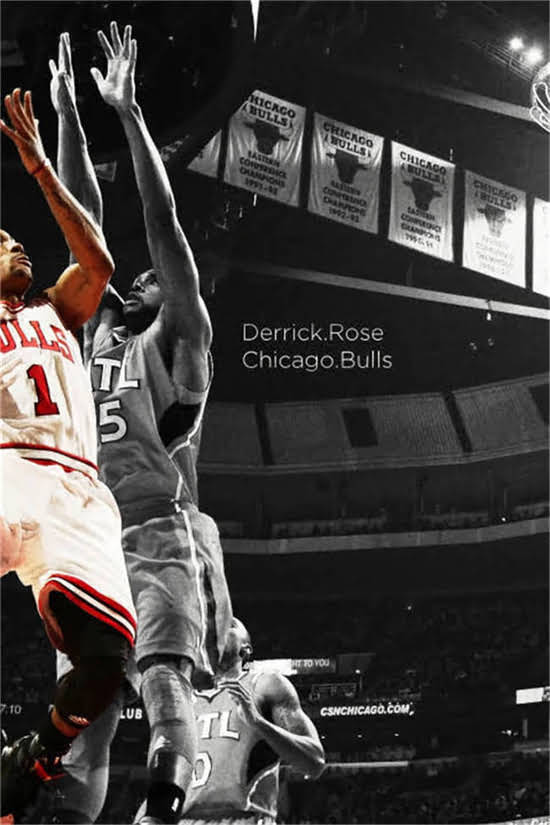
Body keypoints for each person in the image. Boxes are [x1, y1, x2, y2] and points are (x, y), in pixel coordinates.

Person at [45, 24, 233, 825]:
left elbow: (164, 223)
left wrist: (129, 115)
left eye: (159, 277)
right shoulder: (103, 333)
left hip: (155, 532)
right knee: (83, 718)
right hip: (88, 541)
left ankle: (160, 812)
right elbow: (83, 226)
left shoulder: (181, 338)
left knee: (160, 683)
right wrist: (70, 116)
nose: (146, 273)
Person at [0, 87, 137, 821]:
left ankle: (32, 758)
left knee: (108, 660)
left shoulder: (56, 309)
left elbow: (100, 262)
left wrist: (41, 169)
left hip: (79, 491)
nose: (16, 244)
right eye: (0, 242)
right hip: (7, 466)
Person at [179, 618, 325, 824]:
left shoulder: (266, 685)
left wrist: (258, 722)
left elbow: (314, 762)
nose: (218, 626)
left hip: (245, 818)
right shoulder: (183, 698)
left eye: (229, 624)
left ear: (245, 649)